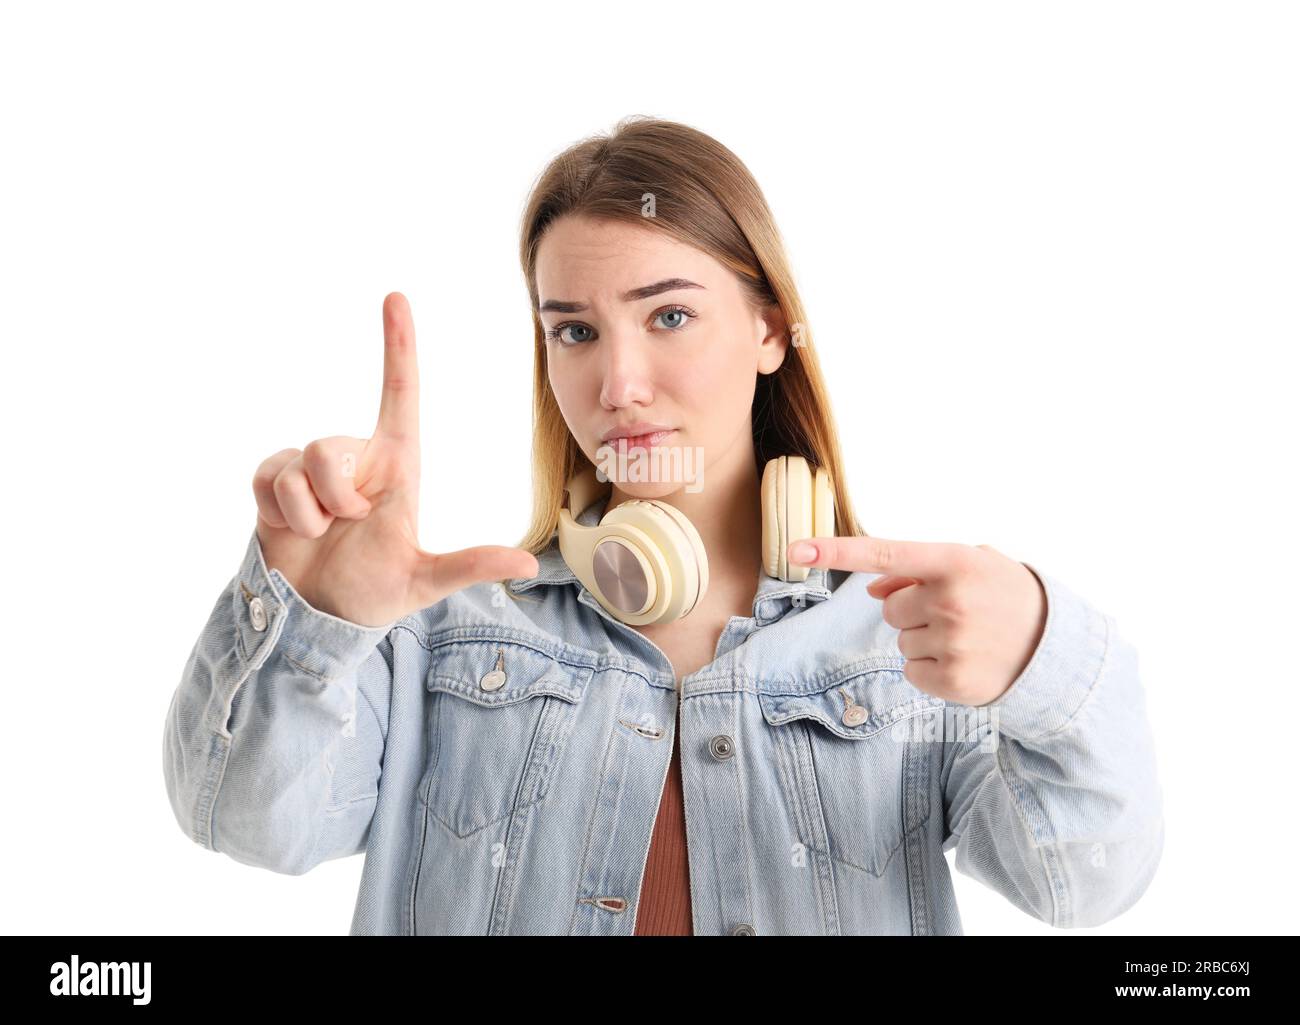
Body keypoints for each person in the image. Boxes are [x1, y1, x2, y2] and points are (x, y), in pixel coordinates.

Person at [162, 116, 1164, 935]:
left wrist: (1040, 642)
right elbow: (250, 823)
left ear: (770, 329)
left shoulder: (908, 638)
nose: (618, 383)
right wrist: (314, 615)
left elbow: (1083, 880)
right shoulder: (442, 632)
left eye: (669, 315)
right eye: (575, 330)